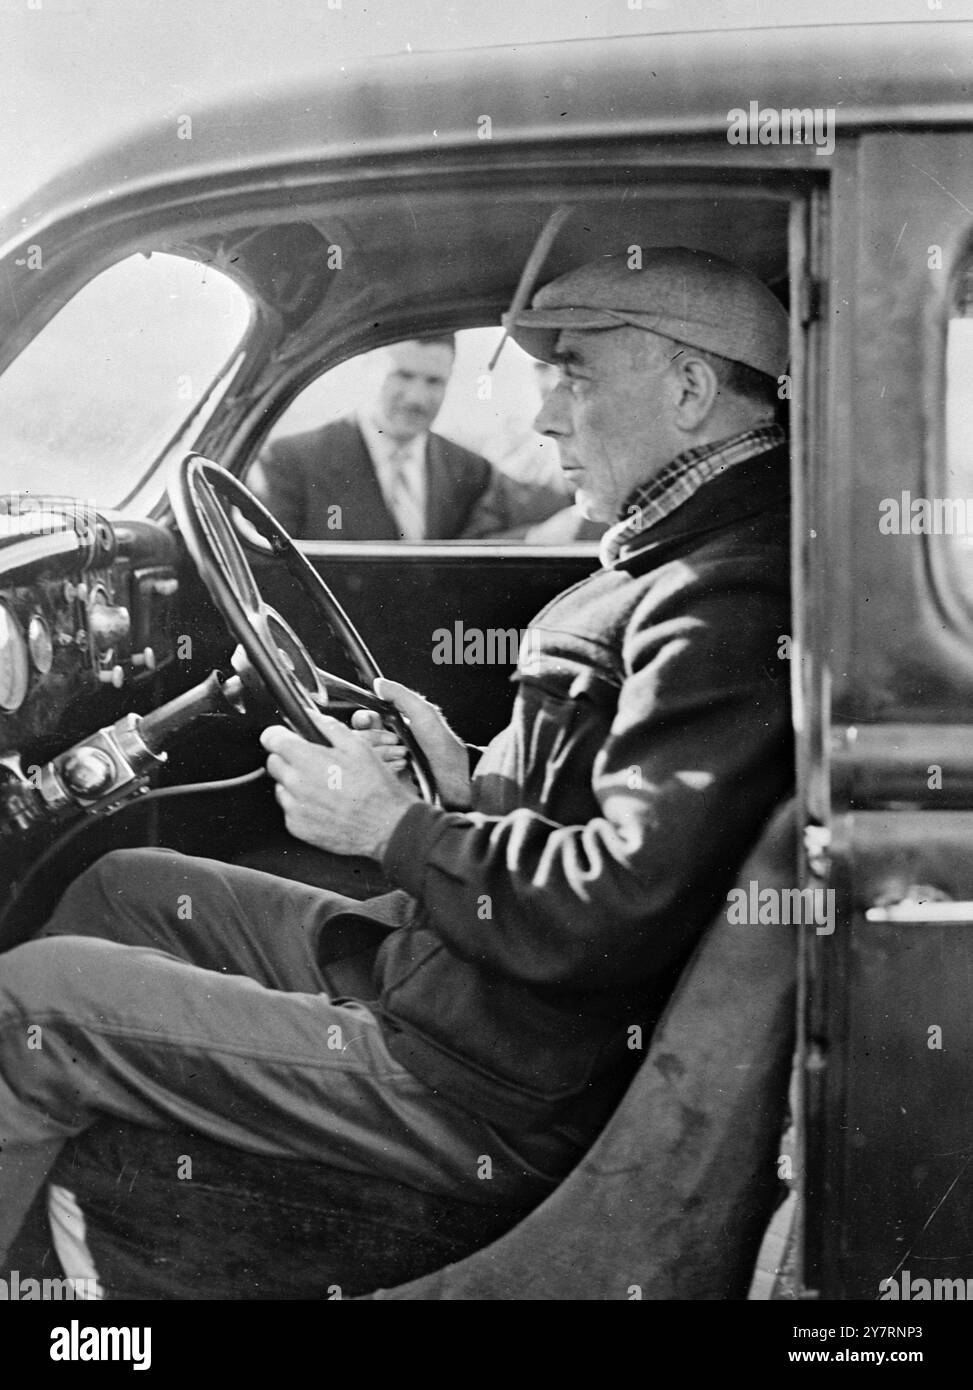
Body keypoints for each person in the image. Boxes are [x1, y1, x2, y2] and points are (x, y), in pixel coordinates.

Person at [0, 247, 794, 1267]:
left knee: (29, 1010)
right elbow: (598, 825)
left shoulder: (718, 597)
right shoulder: (683, 557)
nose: (548, 416)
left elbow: (616, 908)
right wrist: (462, 779)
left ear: (689, 388)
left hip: (480, 1081)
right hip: (468, 987)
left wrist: (389, 825)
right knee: (124, 890)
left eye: (575, 375)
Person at [246, 334, 560, 541]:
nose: (417, 398)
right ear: (368, 370)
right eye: (403, 375)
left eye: (434, 381)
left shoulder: (471, 470)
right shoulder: (290, 462)